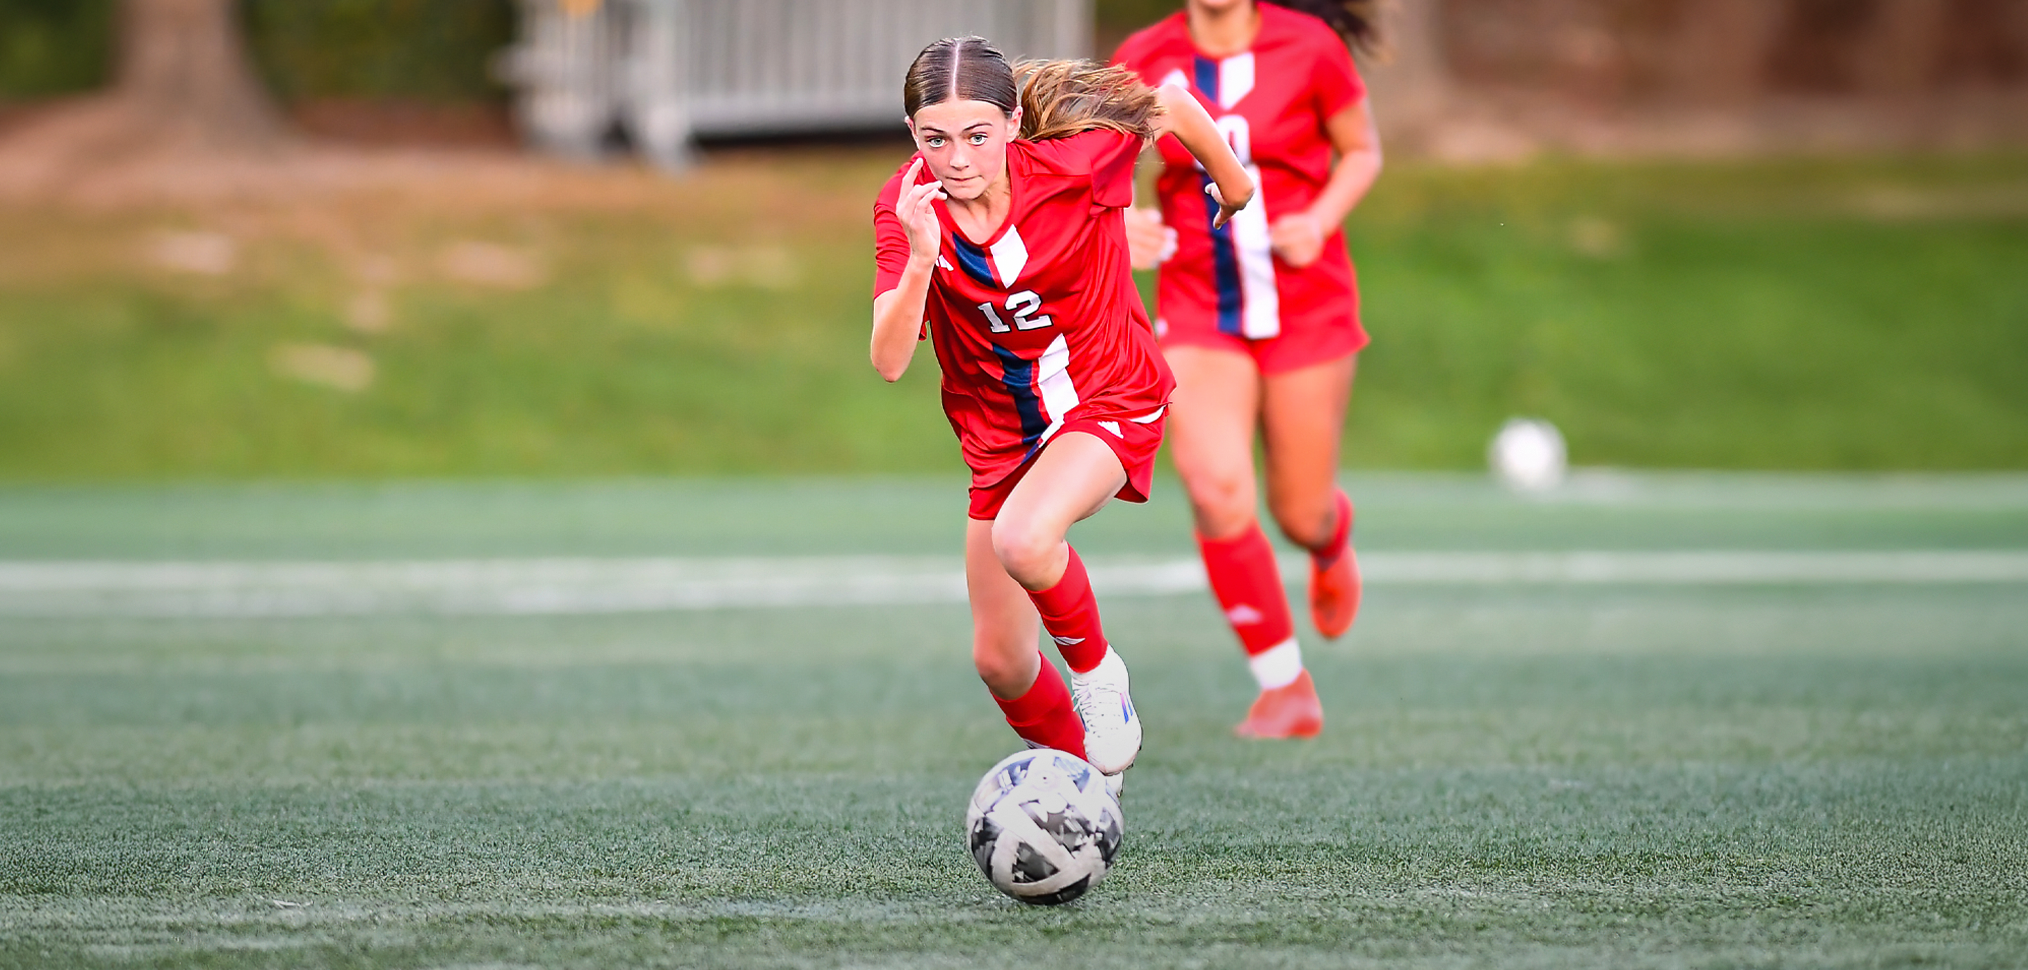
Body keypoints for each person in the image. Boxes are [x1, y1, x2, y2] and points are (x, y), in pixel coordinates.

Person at [871, 37, 1254, 791]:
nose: (957, 160)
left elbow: (1171, 104)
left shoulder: (1077, 162)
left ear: (1013, 124)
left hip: (1110, 392)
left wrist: (1234, 184)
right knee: (1001, 661)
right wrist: (919, 258)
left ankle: (1099, 675)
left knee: (1024, 537)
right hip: (1001, 437)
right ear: (912, 133)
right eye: (935, 139)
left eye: (978, 136)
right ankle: (1089, 788)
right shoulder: (905, 205)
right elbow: (888, 360)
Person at [1113, 0, 1385, 739]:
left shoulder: (1311, 46)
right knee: (1215, 487)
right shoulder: (1142, 55)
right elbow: (1101, 168)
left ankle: (1329, 536)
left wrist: (1320, 220)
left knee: (1299, 512)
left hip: (1307, 305)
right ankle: (1284, 686)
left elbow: (1362, 151)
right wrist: (1123, 220)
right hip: (1199, 307)